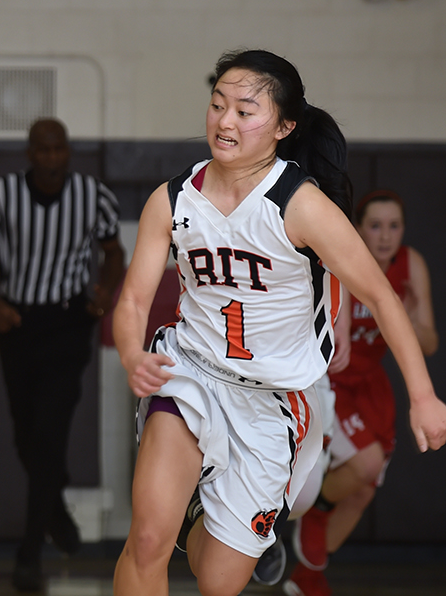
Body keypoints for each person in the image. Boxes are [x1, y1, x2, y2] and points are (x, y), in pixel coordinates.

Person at [111, 50, 446, 596]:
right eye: (218, 105)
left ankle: (200, 515)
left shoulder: (301, 206)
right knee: (147, 541)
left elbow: (382, 298)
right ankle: (179, 512)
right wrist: (131, 354)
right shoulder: (171, 200)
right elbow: (132, 303)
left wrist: (424, 395)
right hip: (191, 373)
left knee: (218, 581)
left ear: (284, 127)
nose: (225, 121)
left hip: (276, 402)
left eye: (246, 111)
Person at [0, 117, 124, 591]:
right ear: (30, 154)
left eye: (59, 150)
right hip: (19, 322)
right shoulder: (0, 195)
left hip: (70, 323)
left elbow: (115, 251)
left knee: (49, 433)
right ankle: (54, 509)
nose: (52, 158)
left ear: (67, 152)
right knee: (26, 438)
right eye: (43, 150)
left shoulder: (93, 196)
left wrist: (104, 294)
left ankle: (29, 553)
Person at [285, 190, 437, 596]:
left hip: (371, 384)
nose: (385, 236)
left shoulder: (411, 265)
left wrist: (402, 312)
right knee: (367, 466)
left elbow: (429, 342)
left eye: (394, 226)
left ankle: (307, 575)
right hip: (332, 380)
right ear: (357, 229)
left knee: (365, 489)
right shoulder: (340, 255)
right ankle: (314, 513)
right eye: (375, 226)